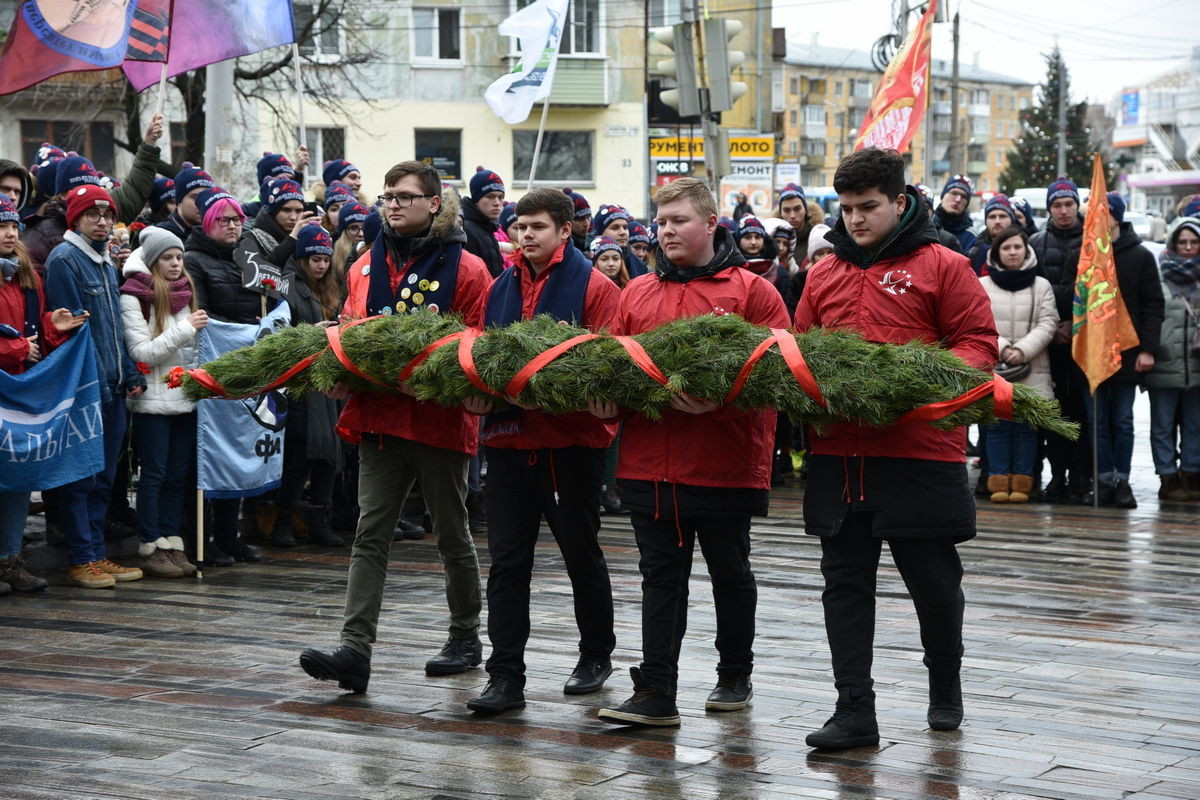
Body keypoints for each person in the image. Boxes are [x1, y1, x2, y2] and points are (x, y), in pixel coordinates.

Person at [794, 148, 997, 749]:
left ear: (900, 201)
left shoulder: (945, 265)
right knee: (844, 583)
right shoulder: (823, 272)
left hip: (919, 449)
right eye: (847, 209)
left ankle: (945, 685)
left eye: (868, 207)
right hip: (840, 453)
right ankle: (854, 708)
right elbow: (801, 348)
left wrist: (920, 383)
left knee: (933, 581)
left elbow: (978, 342)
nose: (855, 220)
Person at [593, 177, 790, 727]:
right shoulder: (636, 293)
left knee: (730, 571)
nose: (667, 230)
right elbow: (616, 368)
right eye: (660, 221)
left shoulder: (752, 292)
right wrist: (609, 408)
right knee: (660, 577)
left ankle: (734, 674)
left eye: (679, 220)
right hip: (651, 464)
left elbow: (780, 373)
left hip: (725, 461)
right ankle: (657, 690)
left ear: (710, 223)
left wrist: (719, 404)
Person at [298, 160, 491, 693]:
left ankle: (465, 635)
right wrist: (338, 372)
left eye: (405, 195)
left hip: (439, 421)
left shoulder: (471, 268)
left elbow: (478, 346)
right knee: (369, 535)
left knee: (452, 535)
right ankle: (355, 650)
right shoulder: (362, 265)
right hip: (380, 418)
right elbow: (353, 334)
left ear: (435, 203)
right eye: (387, 196)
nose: (393, 203)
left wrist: (428, 380)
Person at [461, 187, 620, 713]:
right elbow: (483, 352)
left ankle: (596, 654)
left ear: (565, 229)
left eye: (537, 227)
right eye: (519, 227)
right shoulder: (499, 285)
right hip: (507, 443)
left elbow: (606, 360)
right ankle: (505, 676)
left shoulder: (596, 286)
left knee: (580, 553)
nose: (525, 236)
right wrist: (479, 395)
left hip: (569, 444)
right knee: (507, 564)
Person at [44, 184, 149, 588]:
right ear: (76, 218)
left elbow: (115, 329)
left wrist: (130, 371)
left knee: (105, 477)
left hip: (116, 385)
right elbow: (72, 333)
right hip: (87, 388)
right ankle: (81, 557)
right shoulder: (65, 260)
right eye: (93, 215)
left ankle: (98, 552)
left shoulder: (105, 262)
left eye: (107, 215)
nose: (103, 221)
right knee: (81, 477)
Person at [0, 195, 79, 595]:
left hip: (21, 390)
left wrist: (55, 326)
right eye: (1, 227)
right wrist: (16, 350)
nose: (10, 233)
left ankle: (9, 561)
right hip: (4, 383)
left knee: (17, 479)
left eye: (13, 226)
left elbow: (34, 329)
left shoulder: (25, 274)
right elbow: (15, 341)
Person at [184, 187, 265, 566]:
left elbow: (262, 297)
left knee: (240, 444)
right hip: (216, 362)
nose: (233, 226)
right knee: (213, 450)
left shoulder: (245, 257)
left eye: (237, 219)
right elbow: (202, 311)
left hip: (246, 365)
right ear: (208, 223)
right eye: (225, 220)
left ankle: (230, 534)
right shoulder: (193, 259)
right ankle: (204, 537)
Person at [118, 226, 203, 578]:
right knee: (153, 474)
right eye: (167, 257)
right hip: (152, 402)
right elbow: (141, 352)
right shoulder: (134, 295)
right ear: (153, 261)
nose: (175, 263)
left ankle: (171, 542)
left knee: (177, 475)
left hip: (183, 398)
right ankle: (150, 543)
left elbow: (192, 355)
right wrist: (186, 329)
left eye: (179, 257)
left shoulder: (186, 293)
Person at [1080, 194, 1164, 509]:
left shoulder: (1140, 256)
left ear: (1116, 217)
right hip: (1093, 352)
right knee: (1096, 421)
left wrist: (1148, 349)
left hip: (1128, 353)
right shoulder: (1086, 253)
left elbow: (1154, 306)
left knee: (1123, 421)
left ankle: (1122, 480)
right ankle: (1102, 479)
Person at [272, 225, 345, 548]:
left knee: (329, 456)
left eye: (325, 259)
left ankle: (320, 521)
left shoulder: (331, 289)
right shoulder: (288, 288)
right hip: (302, 384)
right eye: (314, 259)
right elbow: (277, 334)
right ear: (302, 259)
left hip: (329, 382)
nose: (321, 265)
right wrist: (311, 333)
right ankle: (282, 522)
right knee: (300, 458)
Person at [979, 226, 1057, 503]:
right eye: (1006, 248)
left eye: (1017, 247)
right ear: (997, 252)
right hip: (994, 368)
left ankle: (1023, 482)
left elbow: (1048, 323)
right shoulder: (982, 285)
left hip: (1033, 368)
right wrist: (1002, 348)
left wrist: (1022, 350)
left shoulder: (1041, 285)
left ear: (1026, 250)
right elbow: (977, 323)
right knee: (998, 426)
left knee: (1026, 428)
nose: (1012, 252)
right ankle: (998, 480)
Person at [1030, 177, 1090, 503]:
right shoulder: (1037, 242)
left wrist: (1075, 325)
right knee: (1052, 413)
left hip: (1084, 343)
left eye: (1068, 204)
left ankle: (1082, 476)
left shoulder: (1093, 240)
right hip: (1048, 341)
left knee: (1081, 412)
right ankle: (1056, 475)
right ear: (1050, 207)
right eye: (1057, 205)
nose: (1063, 210)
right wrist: (1052, 326)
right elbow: (1034, 289)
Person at [1148, 215, 1200, 500]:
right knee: (1162, 425)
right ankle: (1167, 477)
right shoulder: (1159, 275)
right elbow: (1151, 314)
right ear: (1173, 243)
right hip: (1164, 360)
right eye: (1183, 242)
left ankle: (1191, 474)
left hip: (1197, 363)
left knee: (1195, 424)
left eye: (1194, 242)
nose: (1188, 247)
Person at [237, 178, 316, 272]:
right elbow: (260, 273)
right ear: (274, 211)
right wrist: (291, 239)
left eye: (299, 211)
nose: (294, 217)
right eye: (286, 210)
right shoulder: (250, 238)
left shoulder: (304, 235)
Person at [461, 166, 506, 277]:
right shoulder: (466, 230)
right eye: (490, 197)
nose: (497, 203)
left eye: (500, 197)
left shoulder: (487, 227)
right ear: (476, 200)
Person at [157, 163, 218, 243]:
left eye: (208, 197)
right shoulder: (161, 236)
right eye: (196, 197)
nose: (203, 203)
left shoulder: (216, 234)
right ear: (179, 200)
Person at [965, 194, 1018, 275]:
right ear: (986, 221)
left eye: (1002, 216)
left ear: (1012, 220)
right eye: (992, 217)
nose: (997, 221)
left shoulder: (1024, 248)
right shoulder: (973, 250)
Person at [591, 204, 647, 279]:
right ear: (600, 232)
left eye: (625, 227)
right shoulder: (586, 263)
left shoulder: (639, 265)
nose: (623, 232)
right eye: (615, 228)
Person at [333, 202, 369, 281]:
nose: (361, 234)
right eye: (353, 228)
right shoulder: (328, 260)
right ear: (344, 232)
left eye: (364, 228)